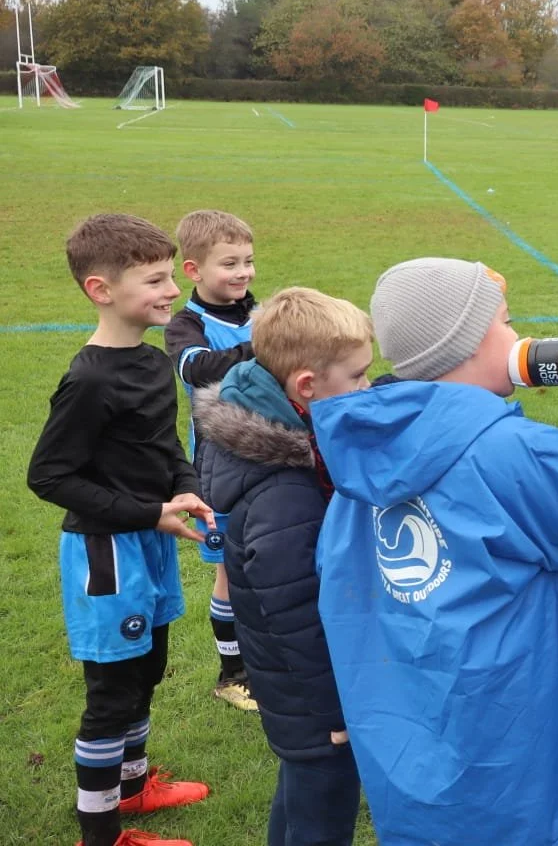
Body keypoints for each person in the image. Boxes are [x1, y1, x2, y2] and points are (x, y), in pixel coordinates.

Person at [309, 258, 558, 846]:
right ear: (471, 340)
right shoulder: (509, 449)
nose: (516, 334)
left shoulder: (364, 454)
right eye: (505, 320)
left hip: (409, 710)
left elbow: (338, 573)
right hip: (504, 712)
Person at [27, 214, 216, 846]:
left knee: (148, 669)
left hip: (150, 539)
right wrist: (146, 513)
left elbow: (164, 445)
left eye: (170, 276)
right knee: (112, 691)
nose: (172, 290)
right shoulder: (90, 380)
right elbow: (49, 476)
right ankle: (102, 834)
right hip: (106, 552)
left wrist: (184, 485)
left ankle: (133, 790)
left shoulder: (152, 362)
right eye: (155, 279)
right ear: (101, 290)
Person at [194, 288, 374, 846]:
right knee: (323, 804)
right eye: (359, 376)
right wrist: (336, 709)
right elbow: (294, 609)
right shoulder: (284, 491)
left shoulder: (272, 419)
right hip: (313, 694)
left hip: (294, 684)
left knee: (301, 793)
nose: (368, 387)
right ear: (307, 386)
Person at [164, 209, 259, 712]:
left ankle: (266, 660)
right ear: (194, 270)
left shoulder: (256, 310)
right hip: (220, 469)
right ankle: (232, 674)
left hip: (267, 464)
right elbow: (196, 369)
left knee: (268, 564)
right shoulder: (187, 325)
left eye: (248, 261)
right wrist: (262, 348)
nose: (243, 273)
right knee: (230, 572)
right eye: (230, 263)